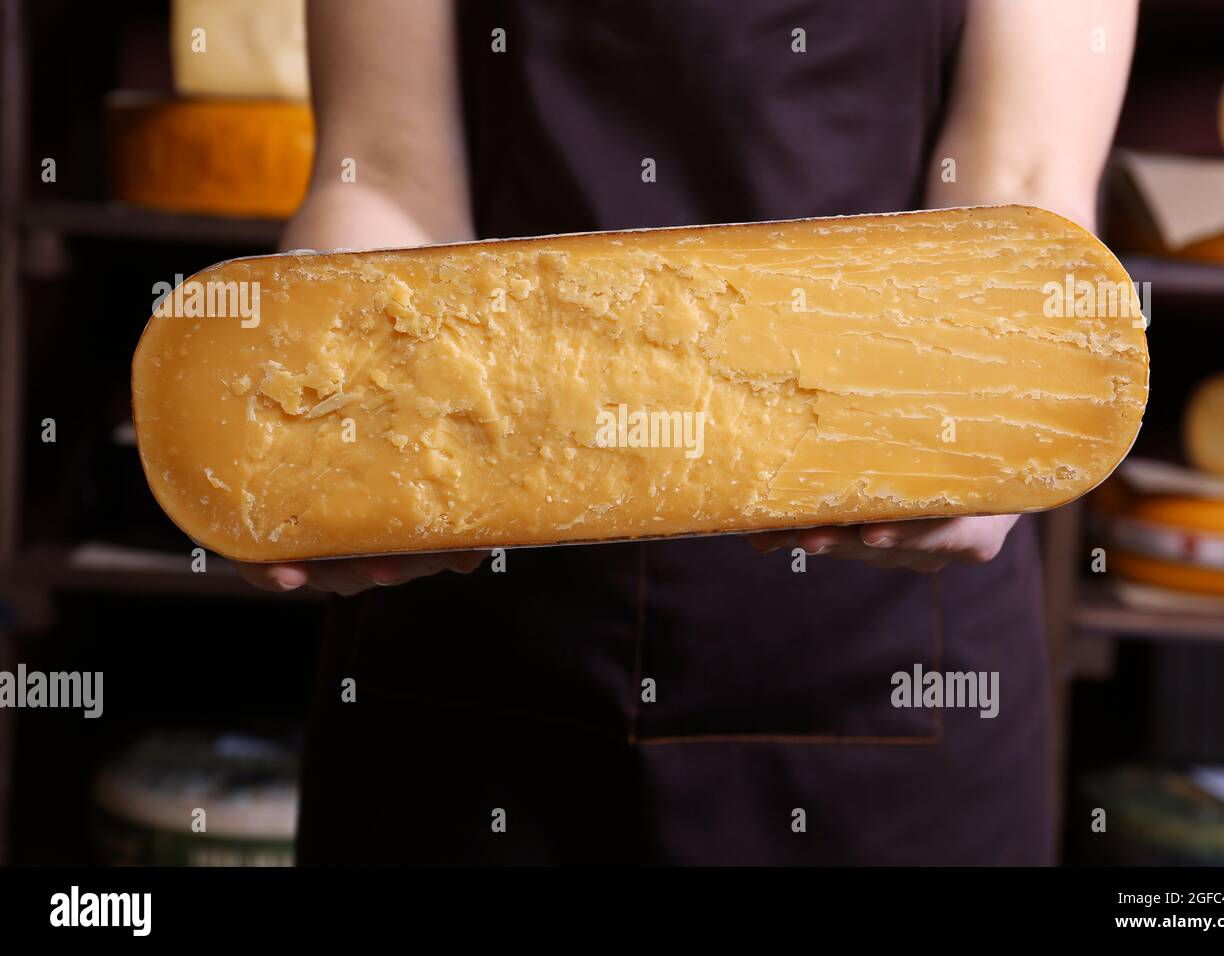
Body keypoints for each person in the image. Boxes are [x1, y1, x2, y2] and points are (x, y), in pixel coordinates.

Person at [238, 0, 1136, 864]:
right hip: (469, 623)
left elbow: (1020, 184)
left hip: (890, 652)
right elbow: (383, 176)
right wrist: (327, 436)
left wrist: (989, 431)